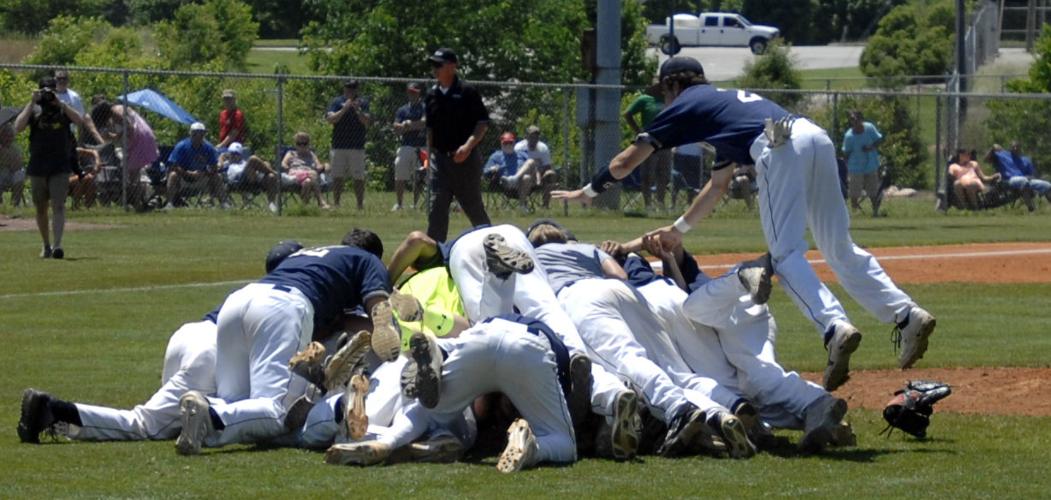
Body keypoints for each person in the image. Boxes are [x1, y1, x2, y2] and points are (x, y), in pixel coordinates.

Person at [554, 56, 937, 391]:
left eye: (664, 90)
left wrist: (588, 190)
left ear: (675, 84)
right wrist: (679, 231)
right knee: (839, 246)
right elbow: (717, 186)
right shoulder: (721, 106)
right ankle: (906, 315)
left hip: (779, 145)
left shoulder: (687, 103)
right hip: (813, 136)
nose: (664, 99)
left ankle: (834, 327)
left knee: (785, 257)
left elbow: (624, 163)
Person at [16, 241, 303, 445]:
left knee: (166, 419)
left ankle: (54, 412)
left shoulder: (257, 290)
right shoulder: (289, 305)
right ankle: (52, 410)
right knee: (147, 426)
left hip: (189, 336)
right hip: (209, 353)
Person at [173, 229, 401, 455]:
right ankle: (211, 416)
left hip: (239, 301)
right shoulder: (369, 260)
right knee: (278, 412)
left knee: (238, 401)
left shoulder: (312, 255)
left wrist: (340, 322)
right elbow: (381, 322)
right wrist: (392, 349)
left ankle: (204, 411)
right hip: (285, 305)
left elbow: (322, 322)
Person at [423, 47, 492, 242]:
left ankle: (495, 249)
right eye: (433, 65)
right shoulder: (432, 95)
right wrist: (429, 157)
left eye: (439, 64)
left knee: (473, 208)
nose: (435, 69)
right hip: (440, 161)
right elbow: (430, 130)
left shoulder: (466, 92)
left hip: (465, 161)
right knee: (436, 206)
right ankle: (433, 253)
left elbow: (482, 123)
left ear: (452, 66)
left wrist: (468, 146)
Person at [13, 77, 83, 259]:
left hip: (59, 164)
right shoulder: (34, 109)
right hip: (38, 164)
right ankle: (46, 245)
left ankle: (58, 244)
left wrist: (60, 103)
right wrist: (31, 102)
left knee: (58, 205)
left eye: (50, 90)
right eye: (44, 90)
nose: (48, 94)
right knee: (41, 208)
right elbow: (18, 127)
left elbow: (79, 120)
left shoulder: (62, 107)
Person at [89, 99, 159, 210]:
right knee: (133, 174)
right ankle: (138, 203)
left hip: (139, 139)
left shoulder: (116, 112)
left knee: (132, 175)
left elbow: (129, 128)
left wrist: (116, 137)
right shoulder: (118, 109)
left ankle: (138, 204)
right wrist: (114, 136)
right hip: (141, 136)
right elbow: (123, 131)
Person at [624, 85, 672, 210]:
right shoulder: (645, 99)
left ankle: (660, 203)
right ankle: (648, 205)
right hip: (648, 141)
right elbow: (628, 113)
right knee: (647, 174)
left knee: (664, 174)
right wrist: (638, 130)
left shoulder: (669, 100)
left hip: (665, 142)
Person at [325, 80, 370, 209]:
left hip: (357, 146)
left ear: (357, 90)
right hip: (338, 145)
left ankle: (360, 205)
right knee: (337, 176)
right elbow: (330, 119)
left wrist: (357, 110)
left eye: (352, 89)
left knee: (358, 177)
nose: (349, 91)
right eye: (347, 88)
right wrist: (344, 108)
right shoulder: (336, 102)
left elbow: (366, 121)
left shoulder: (363, 102)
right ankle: (337, 204)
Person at [164, 122, 229, 210]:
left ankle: (224, 203)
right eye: (195, 133)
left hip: (201, 179)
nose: (198, 136)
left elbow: (214, 166)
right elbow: (173, 165)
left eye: (201, 133)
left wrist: (204, 173)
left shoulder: (208, 148)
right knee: (173, 175)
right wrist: (188, 173)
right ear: (190, 134)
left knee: (217, 177)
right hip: (183, 179)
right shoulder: (182, 146)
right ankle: (169, 203)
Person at [392, 81, 427, 211]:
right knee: (399, 172)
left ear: (419, 93)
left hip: (423, 146)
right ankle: (399, 203)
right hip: (406, 145)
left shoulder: (424, 107)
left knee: (420, 176)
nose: (412, 94)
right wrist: (407, 126)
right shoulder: (402, 109)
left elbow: (424, 123)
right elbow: (396, 127)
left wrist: (407, 125)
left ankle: (415, 204)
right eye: (410, 92)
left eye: (415, 92)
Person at [841, 110, 884, 217]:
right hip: (855, 167)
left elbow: (879, 139)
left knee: (873, 191)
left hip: (871, 164)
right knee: (854, 193)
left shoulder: (869, 128)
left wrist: (871, 147)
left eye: (856, 119)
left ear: (861, 119)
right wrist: (846, 170)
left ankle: (875, 212)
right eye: (852, 119)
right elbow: (846, 153)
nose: (854, 121)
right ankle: (856, 213)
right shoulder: (849, 136)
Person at [987, 142, 1051, 211]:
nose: (1015, 148)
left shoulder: (1026, 160)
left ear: (1020, 148)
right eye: (1013, 147)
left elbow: (1032, 175)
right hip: (1009, 180)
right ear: (1010, 148)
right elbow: (987, 159)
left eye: (1017, 147)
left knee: (1047, 185)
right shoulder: (1003, 155)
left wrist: (1029, 177)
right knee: (1023, 181)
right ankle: (1031, 209)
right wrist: (992, 149)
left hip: (1026, 180)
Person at [221, 142, 279, 213]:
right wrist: (221, 157)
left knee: (270, 175)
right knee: (253, 159)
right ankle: (277, 174)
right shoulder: (227, 163)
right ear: (229, 154)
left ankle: (271, 203)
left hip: (253, 179)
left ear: (240, 155)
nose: (234, 156)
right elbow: (218, 167)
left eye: (237, 154)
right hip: (239, 181)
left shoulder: (243, 162)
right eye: (232, 153)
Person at [485, 132, 536, 211]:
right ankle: (512, 180)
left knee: (529, 168)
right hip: (506, 185)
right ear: (501, 144)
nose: (508, 145)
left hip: (524, 183)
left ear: (514, 143)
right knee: (529, 168)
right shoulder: (496, 156)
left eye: (510, 143)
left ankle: (522, 205)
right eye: (505, 143)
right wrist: (492, 169)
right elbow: (485, 172)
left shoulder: (522, 154)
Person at [281, 131, 330, 210]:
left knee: (307, 182)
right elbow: (283, 163)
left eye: (305, 143)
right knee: (312, 174)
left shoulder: (311, 154)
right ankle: (321, 201)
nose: (302, 146)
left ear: (308, 144)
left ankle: (303, 208)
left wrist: (325, 165)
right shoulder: (291, 153)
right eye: (299, 144)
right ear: (295, 144)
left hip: (310, 176)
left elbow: (318, 165)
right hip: (296, 174)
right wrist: (287, 167)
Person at [514, 125, 558, 209]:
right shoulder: (519, 147)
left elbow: (547, 166)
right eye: (531, 136)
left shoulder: (543, 148)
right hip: (524, 176)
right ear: (526, 136)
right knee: (527, 176)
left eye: (536, 137)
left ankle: (545, 205)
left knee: (551, 174)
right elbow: (517, 167)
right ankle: (522, 205)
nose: (533, 139)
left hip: (540, 175)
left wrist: (544, 174)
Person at [0, 123, 25, 207]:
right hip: (2, 171)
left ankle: (14, 204)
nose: (8, 138)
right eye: (6, 135)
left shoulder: (15, 149)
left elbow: (18, 165)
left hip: (14, 172)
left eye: (10, 135)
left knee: (20, 177)